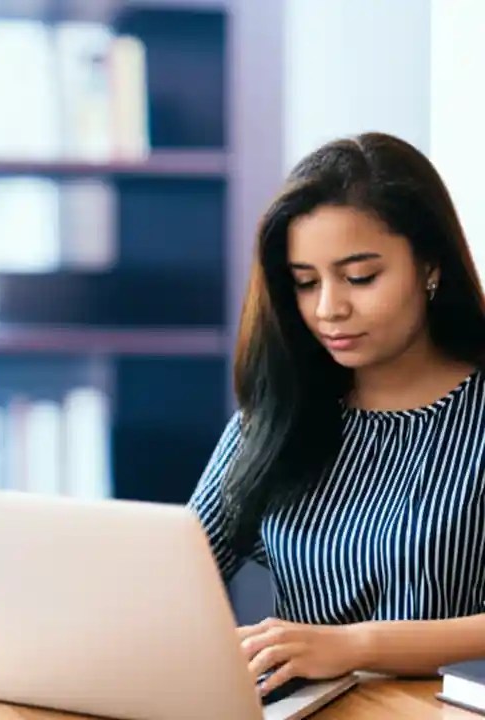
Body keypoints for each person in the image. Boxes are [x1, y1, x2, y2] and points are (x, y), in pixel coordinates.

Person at [186, 131, 485, 698]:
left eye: (360, 277)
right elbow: (178, 574)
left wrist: (354, 646)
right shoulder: (281, 410)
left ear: (430, 265)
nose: (329, 309)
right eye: (305, 283)